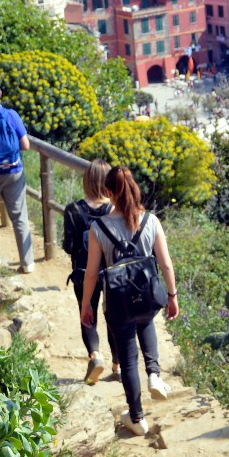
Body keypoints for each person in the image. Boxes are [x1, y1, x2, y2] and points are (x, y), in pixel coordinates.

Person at [80, 166, 179, 436]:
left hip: (118, 302)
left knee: (127, 357)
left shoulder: (98, 228)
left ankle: (136, 418)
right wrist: (172, 296)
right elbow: (166, 265)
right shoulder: (152, 222)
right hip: (146, 297)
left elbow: (91, 274)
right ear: (135, 188)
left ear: (109, 192)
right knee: (146, 324)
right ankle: (155, 374)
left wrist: (86, 304)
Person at [63, 159, 120, 386]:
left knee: (88, 316)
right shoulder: (114, 210)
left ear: (87, 181)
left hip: (83, 273)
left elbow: (68, 246)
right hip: (112, 274)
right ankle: (117, 365)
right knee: (114, 319)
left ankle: (95, 356)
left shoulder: (73, 210)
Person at [0, 79, 33, 273]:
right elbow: (25, 145)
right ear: (0, 95)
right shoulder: (11, 115)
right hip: (14, 172)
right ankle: (28, 263)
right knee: (20, 218)